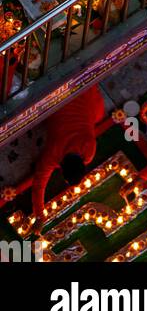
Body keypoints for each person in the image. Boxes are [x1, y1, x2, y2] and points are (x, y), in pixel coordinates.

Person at [30, 86, 105, 223]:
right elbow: (39, 184)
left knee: (97, 114)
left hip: (82, 90)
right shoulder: (53, 154)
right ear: (62, 168)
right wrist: (39, 215)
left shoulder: (89, 150)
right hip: (56, 96)